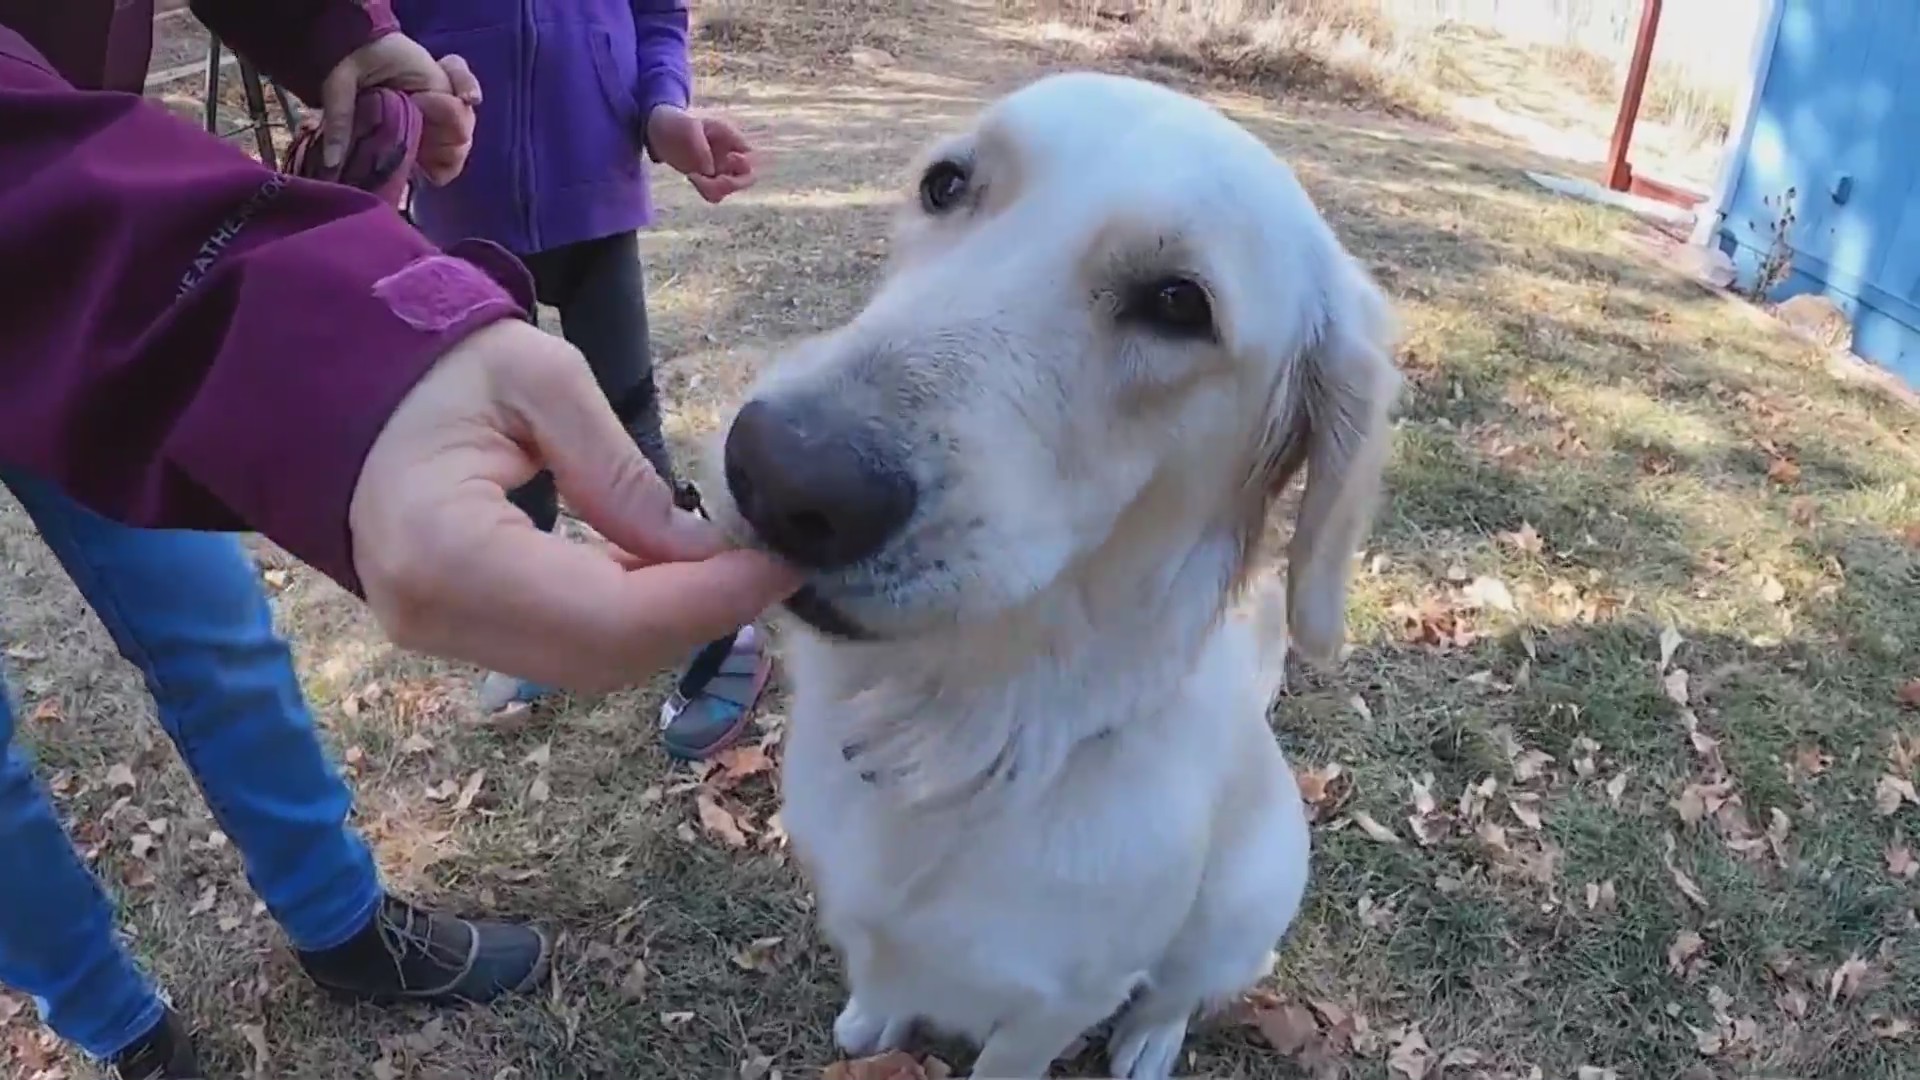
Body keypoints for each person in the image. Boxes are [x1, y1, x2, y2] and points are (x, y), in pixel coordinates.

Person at [0, 3, 798, 1076]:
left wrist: (332, 30)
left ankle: (343, 922)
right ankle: (120, 1030)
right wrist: (334, 330)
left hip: (71, 263)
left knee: (214, 627)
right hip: (72, 227)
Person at [390, 0, 771, 761]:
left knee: (631, 437)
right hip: (461, 210)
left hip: (596, 196)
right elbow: (367, 31)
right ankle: (541, 629)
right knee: (506, 446)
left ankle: (725, 631)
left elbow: (656, 14)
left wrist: (661, 111)